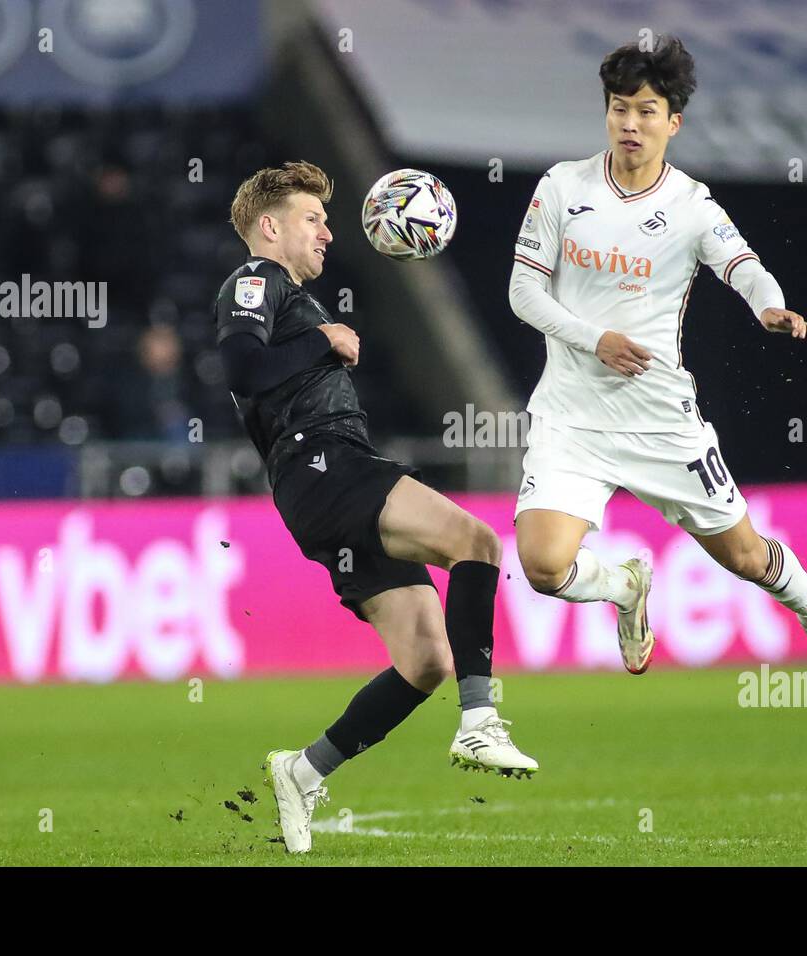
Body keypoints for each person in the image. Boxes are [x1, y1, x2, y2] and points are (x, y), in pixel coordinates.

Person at [507, 36, 807, 688]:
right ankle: (624, 588)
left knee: (746, 556)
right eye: (619, 108)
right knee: (541, 565)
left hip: (658, 418)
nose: (629, 124)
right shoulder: (561, 187)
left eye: (646, 111)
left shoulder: (690, 205)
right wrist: (595, 340)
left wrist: (770, 306)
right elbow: (523, 292)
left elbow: (744, 266)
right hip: (570, 415)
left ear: (673, 121)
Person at [215, 163, 537, 854]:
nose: (328, 233)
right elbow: (240, 368)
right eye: (313, 220)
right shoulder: (256, 281)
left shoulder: (288, 294)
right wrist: (322, 341)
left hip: (318, 484)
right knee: (477, 543)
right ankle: (481, 720)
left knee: (424, 659)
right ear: (270, 228)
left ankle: (303, 771)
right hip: (322, 465)